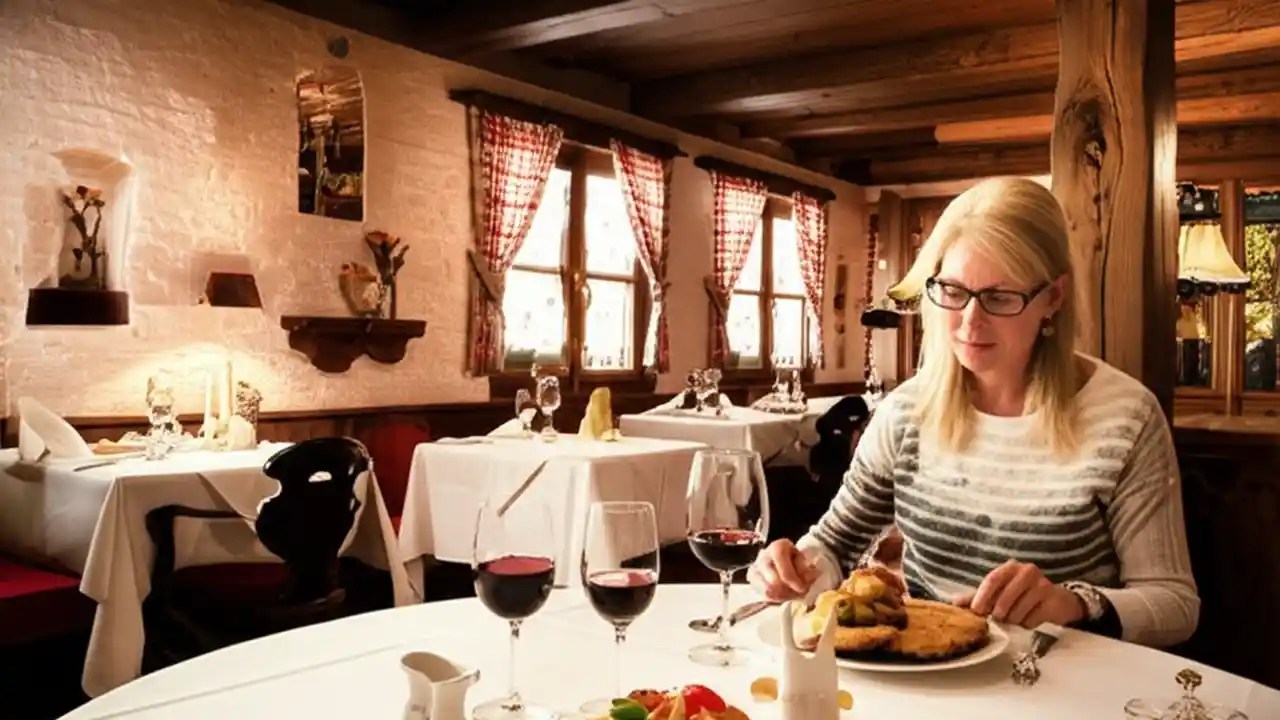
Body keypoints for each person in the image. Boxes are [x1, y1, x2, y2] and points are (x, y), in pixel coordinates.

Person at [749, 177, 1199, 648]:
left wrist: (1074, 602)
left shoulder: (1125, 417)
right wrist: (796, 568)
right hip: (923, 675)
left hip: (1060, 685)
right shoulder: (906, 411)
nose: (969, 321)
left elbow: (1174, 603)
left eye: (1000, 298)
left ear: (1054, 298)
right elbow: (835, 544)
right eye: (953, 290)